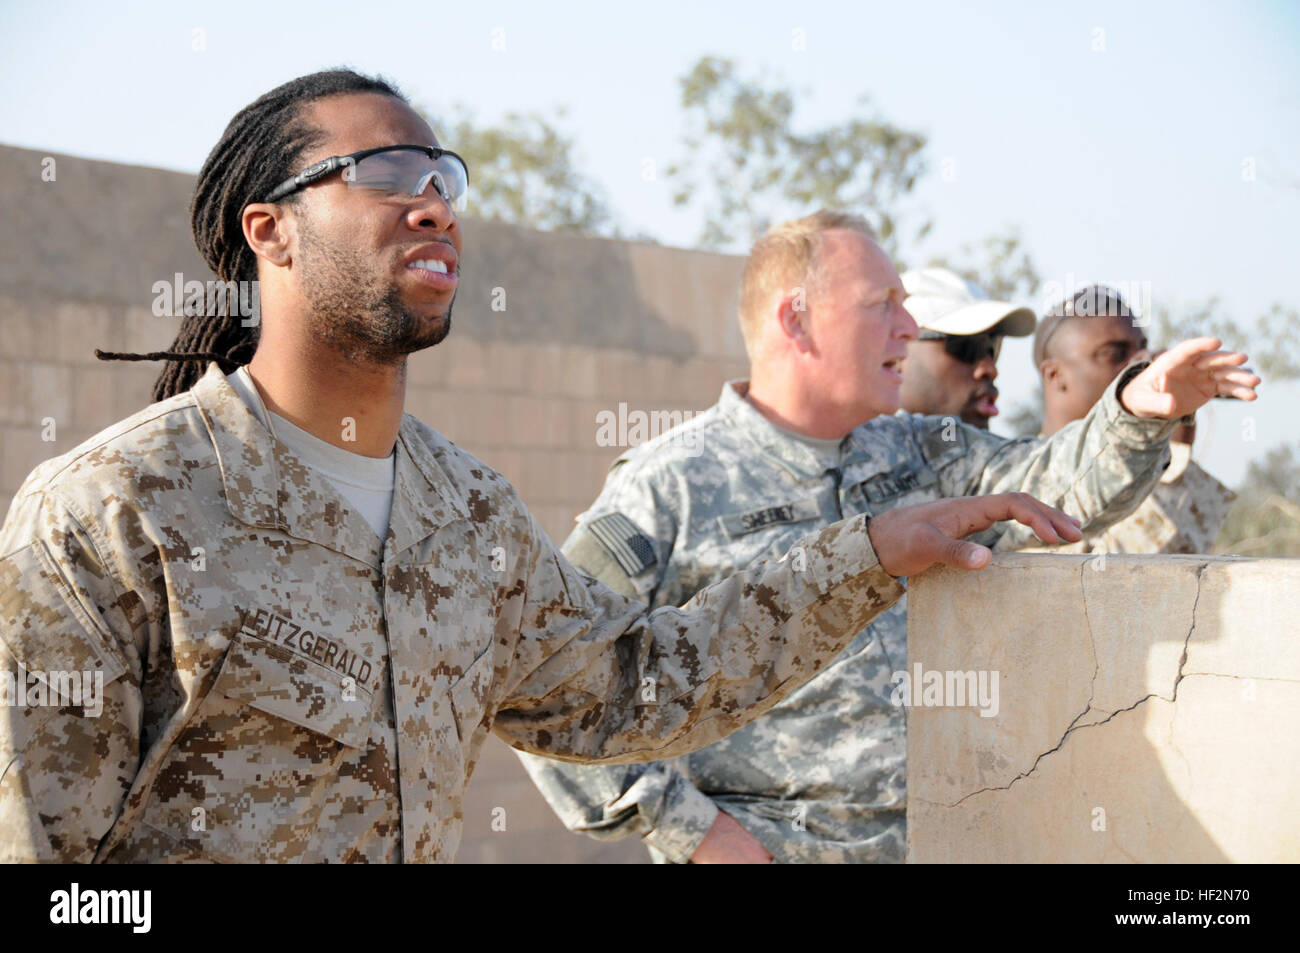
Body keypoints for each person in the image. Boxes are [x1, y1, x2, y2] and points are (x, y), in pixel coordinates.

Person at [0, 70, 1085, 864]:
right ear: (270, 230)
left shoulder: (466, 516)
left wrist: (868, 553)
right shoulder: (108, 513)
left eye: (440, 174)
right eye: (382, 173)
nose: (433, 201)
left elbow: (637, 684)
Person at [518, 211, 1259, 864]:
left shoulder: (925, 452)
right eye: (884, 306)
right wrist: (692, 833)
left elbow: (1058, 489)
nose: (908, 328)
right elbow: (552, 677)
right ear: (796, 321)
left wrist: (1137, 409)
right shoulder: (668, 484)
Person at [1032, 285, 1237, 554]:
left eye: (1142, 350)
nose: (1139, 365)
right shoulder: (1025, 484)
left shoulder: (1138, 468)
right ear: (1054, 374)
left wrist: (1170, 433)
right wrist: (1170, 460)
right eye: (1115, 354)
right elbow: (1105, 585)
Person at [896, 267, 1036, 429]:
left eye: (992, 348)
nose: (989, 369)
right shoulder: (862, 445)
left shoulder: (1004, 452)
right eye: (966, 346)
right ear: (896, 355)